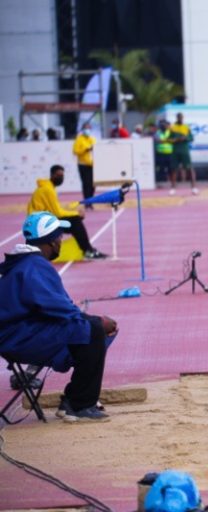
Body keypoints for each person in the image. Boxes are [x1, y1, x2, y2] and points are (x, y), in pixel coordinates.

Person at [0, 212, 118, 422]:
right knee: (93, 330)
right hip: (17, 338)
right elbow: (59, 308)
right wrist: (96, 321)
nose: (61, 242)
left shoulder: (22, 263)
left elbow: (51, 308)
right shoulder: (34, 266)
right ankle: (79, 404)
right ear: (52, 241)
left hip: (15, 333)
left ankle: (76, 398)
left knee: (89, 327)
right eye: (60, 238)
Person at [28, 164, 107, 260]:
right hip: (38, 225)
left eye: (62, 175)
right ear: (52, 175)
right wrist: (77, 214)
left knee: (74, 221)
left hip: (41, 221)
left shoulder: (47, 187)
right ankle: (88, 251)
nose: (61, 178)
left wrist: (73, 213)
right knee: (75, 222)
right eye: (58, 175)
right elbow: (58, 213)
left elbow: (54, 210)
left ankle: (88, 250)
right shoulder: (47, 190)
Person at [170, 113, 199, 195]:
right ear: (176, 118)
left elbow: (191, 138)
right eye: (178, 117)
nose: (180, 119)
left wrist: (185, 138)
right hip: (175, 151)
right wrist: (175, 139)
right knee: (174, 169)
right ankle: (173, 188)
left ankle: (194, 188)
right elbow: (169, 138)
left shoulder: (186, 127)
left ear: (183, 118)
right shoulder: (173, 127)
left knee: (190, 169)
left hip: (185, 151)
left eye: (181, 117)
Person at [72, 122, 96, 206]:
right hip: (83, 164)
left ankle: (91, 200)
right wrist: (85, 150)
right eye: (86, 128)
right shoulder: (79, 139)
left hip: (92, 164)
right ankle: (87, 202)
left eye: (89, 128)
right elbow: (75, 151)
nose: (87, 130)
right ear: (83, 129)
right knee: (86, 183)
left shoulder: (92, 139)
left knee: (93, 184)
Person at [154, 120, 174, 186]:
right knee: (160, 169)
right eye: (162, 125)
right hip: (160, 153)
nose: (163, 126)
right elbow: (158, 140)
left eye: (164, 124)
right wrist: (167, 140)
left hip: (169, 153)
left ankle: (172, 182)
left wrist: (163, 140)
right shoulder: (158, 132)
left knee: (171, 168)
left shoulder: (170, 132)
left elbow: (173, 140)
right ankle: (160, 183)